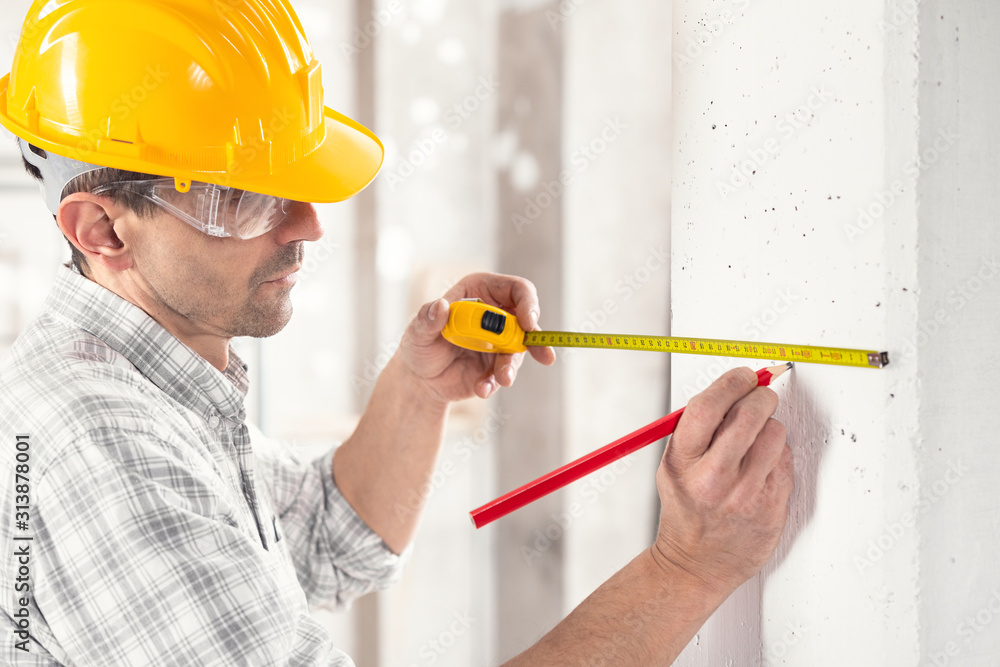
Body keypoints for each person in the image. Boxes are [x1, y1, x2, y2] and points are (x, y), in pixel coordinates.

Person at [0, 1, 793, 664]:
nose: (308, 223)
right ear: (101, 228)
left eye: (297, 179)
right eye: (243, 196)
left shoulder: (154, 380)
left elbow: (320, 544)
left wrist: (417, 388)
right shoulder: (96, 445)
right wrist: (688, 566)